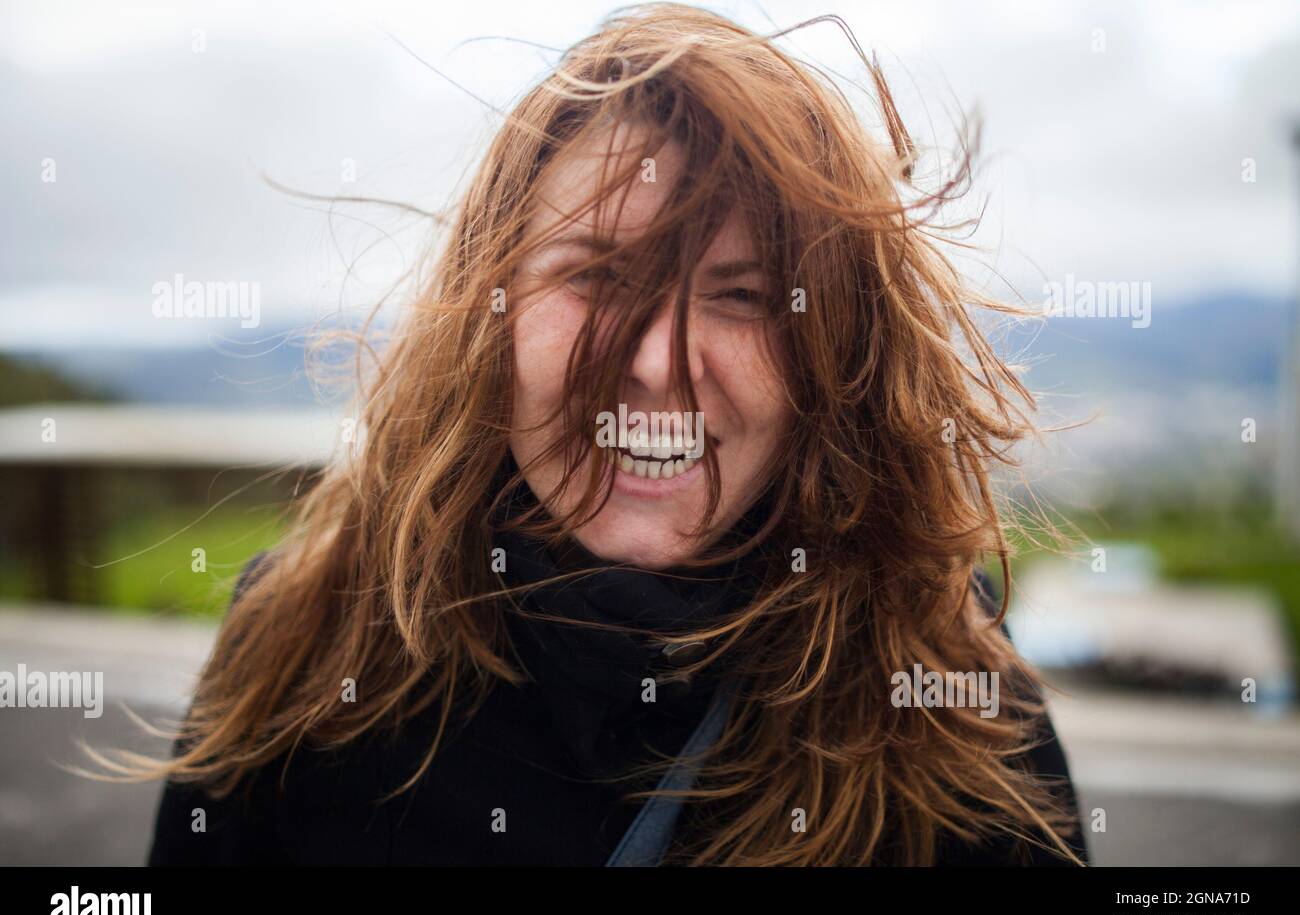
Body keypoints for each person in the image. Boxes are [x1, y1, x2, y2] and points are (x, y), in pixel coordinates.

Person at [136, 3, 1088, 866]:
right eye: (598, 275)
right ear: (490, 306)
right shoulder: (312, 644)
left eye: (745, 296)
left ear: (840, 359)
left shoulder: (956, 710)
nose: (657, 362)